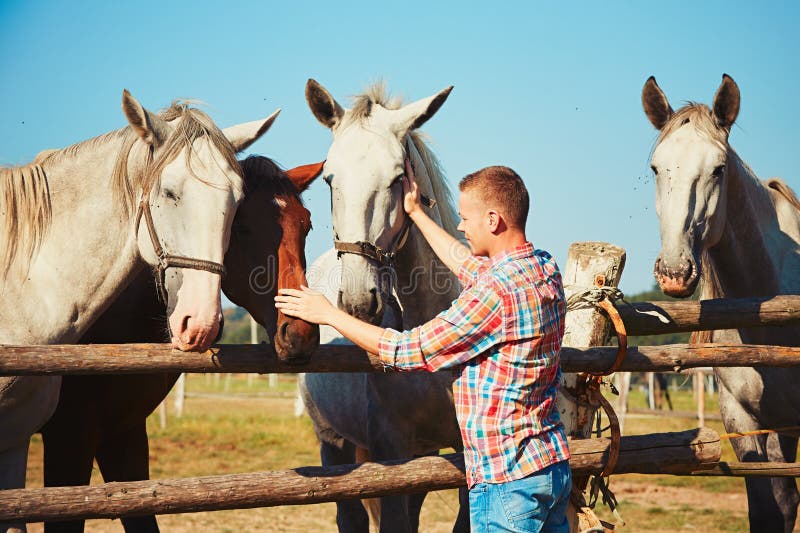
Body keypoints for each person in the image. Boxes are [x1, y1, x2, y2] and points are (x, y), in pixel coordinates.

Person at [275, 160, 571, 532]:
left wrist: (330, 314)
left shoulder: (493, 294)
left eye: (466, 218)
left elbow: (407, 350)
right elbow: (465, 264)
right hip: (549, 467)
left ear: (493, 220)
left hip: (506, 481)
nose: (460, 226)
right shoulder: (542, 268)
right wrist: (415, 213)